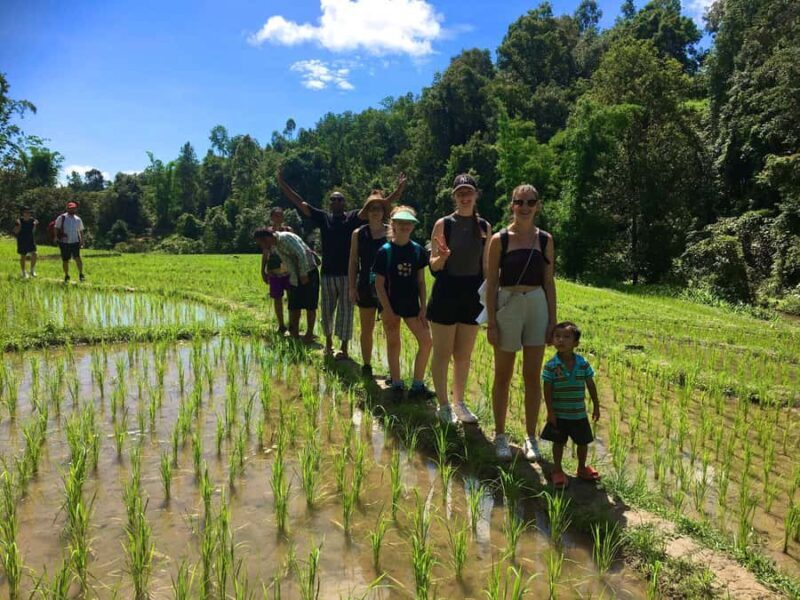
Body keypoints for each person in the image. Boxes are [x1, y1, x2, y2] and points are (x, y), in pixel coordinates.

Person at [277, 168, 406, 359]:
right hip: (328, 274)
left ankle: (344, 348)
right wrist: (282, 184)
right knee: (327, 312)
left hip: (347, 275)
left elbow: (378, 205)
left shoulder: (353, 218)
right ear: (329, 203)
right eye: (333, 199)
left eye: (339, 199)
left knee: (346, 314)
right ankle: (329, 345)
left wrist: (399, 190)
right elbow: (300, 203)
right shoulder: (324, 218)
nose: (336, 201)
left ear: (344, 203)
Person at [484, 184, 556, 461]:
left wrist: (553, 320)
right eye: (519, 202)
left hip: (537, 304)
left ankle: (531, 438)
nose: (524, 207)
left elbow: (549, 282)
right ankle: (500, 435)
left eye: (530, 202)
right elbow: (491, 284)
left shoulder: (545, 239)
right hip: (508, 304)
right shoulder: (499, 240)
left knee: (532, 376)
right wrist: (491, 322)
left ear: (537, 205)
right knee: (503, 375)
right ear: (512, 205)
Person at [427, 174, 492, 425]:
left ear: (476, 195)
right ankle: (443, 405)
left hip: (472, 295)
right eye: (460, 193)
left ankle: (460, 402)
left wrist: (490, 297)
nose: (465, 197)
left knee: (463, 355)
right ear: (454, 196)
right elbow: (433, 266)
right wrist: (443, 257)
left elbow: (486, 264)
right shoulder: (443, 224)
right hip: (446, 292)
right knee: (442, 353)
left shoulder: (485, 227)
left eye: (469, 192)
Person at [372, 206, 433, 398]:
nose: (405, 226)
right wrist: (388, 311)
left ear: (413, 226)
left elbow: (421, 282)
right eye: (401, 223)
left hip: (411, 305)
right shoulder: (385, 251)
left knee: (426, 341)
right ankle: (397, 384)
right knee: (393, 343)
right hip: (389, 304)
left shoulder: (418, 251)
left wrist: (424, 308)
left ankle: (417, 385)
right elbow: (379, 284)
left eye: (409, 223)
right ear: (394, 225)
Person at [541, 321, 601, 489]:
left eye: (567, 337)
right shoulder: (551, 365)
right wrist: (550, 411)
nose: (561, 340)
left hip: (579, 414)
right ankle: (557, 469)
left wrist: (596, 405)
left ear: (576, 343)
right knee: (558, 442)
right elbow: (547, 389)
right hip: (560, 414)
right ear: (552, 340)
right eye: (557, 336)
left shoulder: (582, 363)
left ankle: (581, 468)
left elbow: (590, 384)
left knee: (583, 442)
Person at [348, 191, 389, 378]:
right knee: (367, 328)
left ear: (383, 211)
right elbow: (353, 261)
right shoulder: (358, 233)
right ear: (367, 211)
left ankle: (392, 370)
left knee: (391, 328)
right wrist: (351, 287)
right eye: (371, 208)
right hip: (364, 284)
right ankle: (366, 365)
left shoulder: (391, 231)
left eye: (378, 208)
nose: (375, 211)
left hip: (387, 287)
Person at [254, 227, 319, 341]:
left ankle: (309, 334)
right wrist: (293, 278)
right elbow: (288, 262)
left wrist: (303, 274)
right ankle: (295, 333)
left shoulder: (285, 238)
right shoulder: (276, 245)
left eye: (261, 243)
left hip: (308, 272)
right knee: (294, 305)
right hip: (296, 275)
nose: (262, 247)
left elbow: (301, 253)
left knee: (310, 305)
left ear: (267, 238)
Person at [263, 207, 294, 334]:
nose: (278, 218)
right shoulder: (267, 233)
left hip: (289, 271)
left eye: (280, 215)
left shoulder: (288, 230)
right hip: (274, 272)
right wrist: (263, 271)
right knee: (277, 298)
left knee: (292, 298)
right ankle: (281, 325)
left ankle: (293, 324)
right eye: (276, 216)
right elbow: (265, 253)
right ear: (271, 217)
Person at [55, 201, 85, 282]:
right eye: (70, 208)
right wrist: (56, 238)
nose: (72, 210)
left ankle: (81, 274)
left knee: (78, 258)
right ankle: (67, 275)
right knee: (65, 260)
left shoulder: (78, 219)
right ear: (67, 208)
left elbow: (81, 230)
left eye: (73, 208)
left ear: (75, 209)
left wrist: (82, 240)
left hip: (75, 241)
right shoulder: (61, 217)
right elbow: (56, 228)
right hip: (64, 242)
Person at [13, 206, 38, 278]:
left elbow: (33, 231)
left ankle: (32, 270)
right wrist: (19, 225)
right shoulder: (19, 221)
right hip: (22, 240)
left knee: (35, 254)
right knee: (23, 256)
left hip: (30, 240)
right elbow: (15, 231)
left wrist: (35, 225)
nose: (28, 213)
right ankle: (23, 272)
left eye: (29, 212)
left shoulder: (32, 220)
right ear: (22, 213)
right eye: (26, 212)